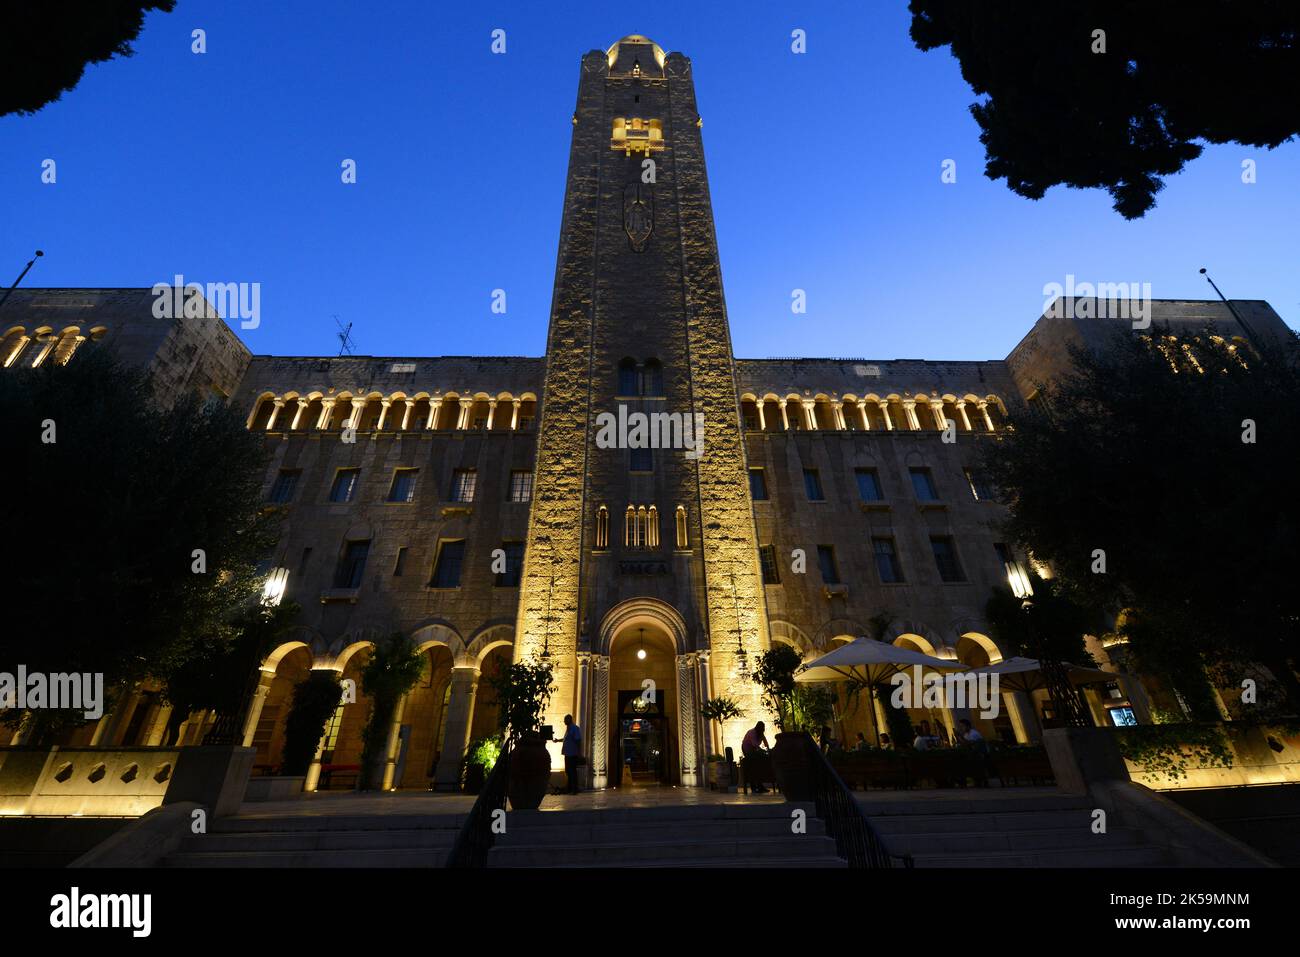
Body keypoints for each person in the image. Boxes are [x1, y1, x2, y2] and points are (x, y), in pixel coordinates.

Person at [555, 713, 583, 794]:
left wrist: (579, 752)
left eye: (565, 719)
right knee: (568, 771)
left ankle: (574, 789)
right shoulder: (568, 729)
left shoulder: (575, 728)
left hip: (572, 754)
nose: (564, 721)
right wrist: (557, 741)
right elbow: (566, 739)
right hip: (567, 754)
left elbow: (578, 740)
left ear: (569, 720)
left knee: (572, 771)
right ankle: (570, 788)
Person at [741, 720, 771, 793]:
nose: (763, 730)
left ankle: (760, 786)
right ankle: (755, 787)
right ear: (758, 728)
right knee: (754, 765)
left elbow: (765, 742)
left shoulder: (761, 733)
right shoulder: (752, 733)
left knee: (759, 764)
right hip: (747, 749)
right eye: (762, 728)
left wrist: (769, 749)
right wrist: (763, 751)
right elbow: (755, 745)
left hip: (754, 750)